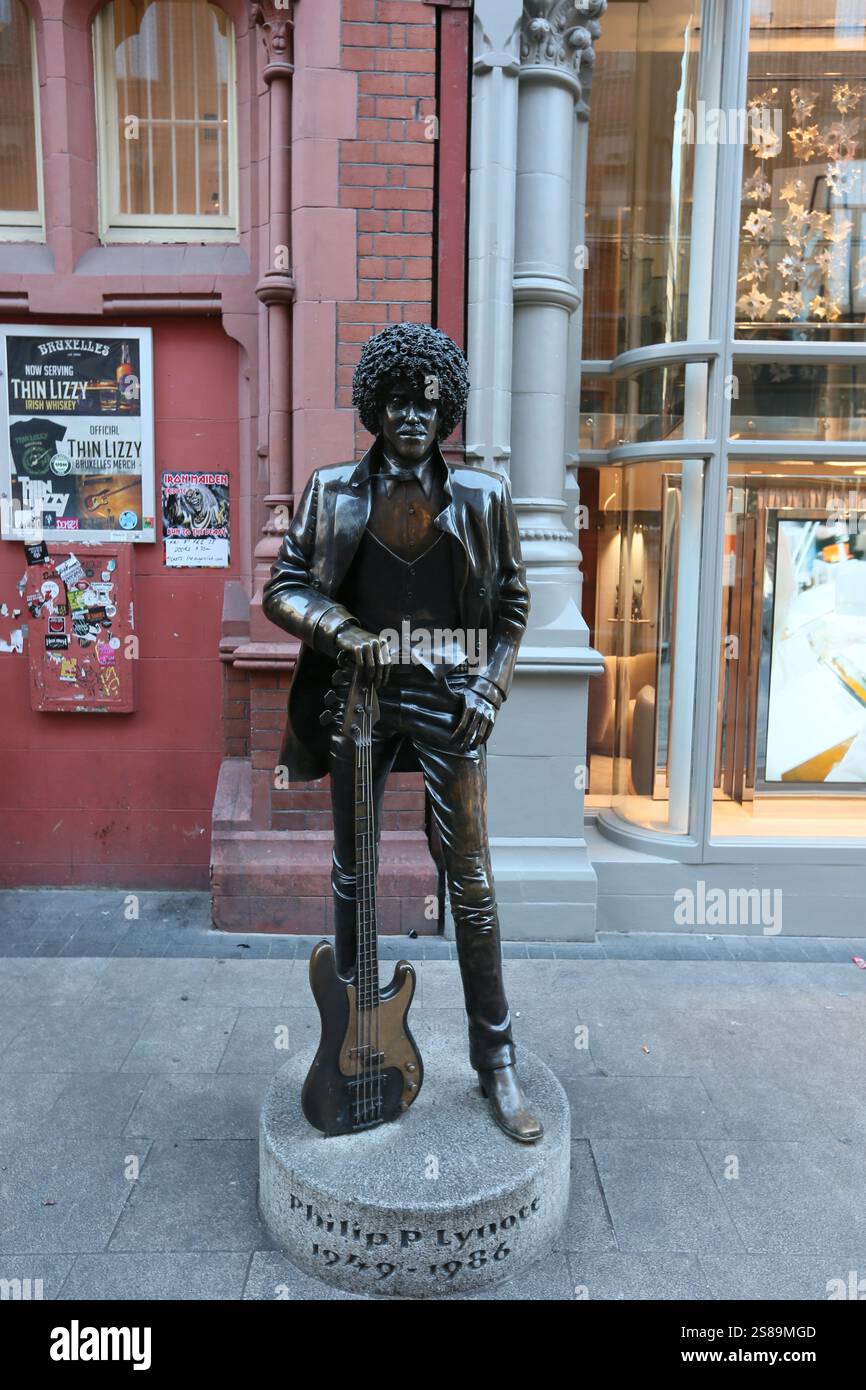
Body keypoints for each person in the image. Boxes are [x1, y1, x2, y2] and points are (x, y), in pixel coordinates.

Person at [263, 323, 541, 1142]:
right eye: (396, 400)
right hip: (361, 694)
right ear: (374, 407)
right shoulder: (331, 491)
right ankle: (357, 1043)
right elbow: (284, 587)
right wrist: (341, 630)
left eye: (426, 401)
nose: (411, 415)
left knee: (473, 884)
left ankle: (496, 1063)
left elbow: (516, 605)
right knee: (354, 871)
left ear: (446, 409)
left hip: (452, 692)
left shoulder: (484, 499)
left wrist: (491, 685)